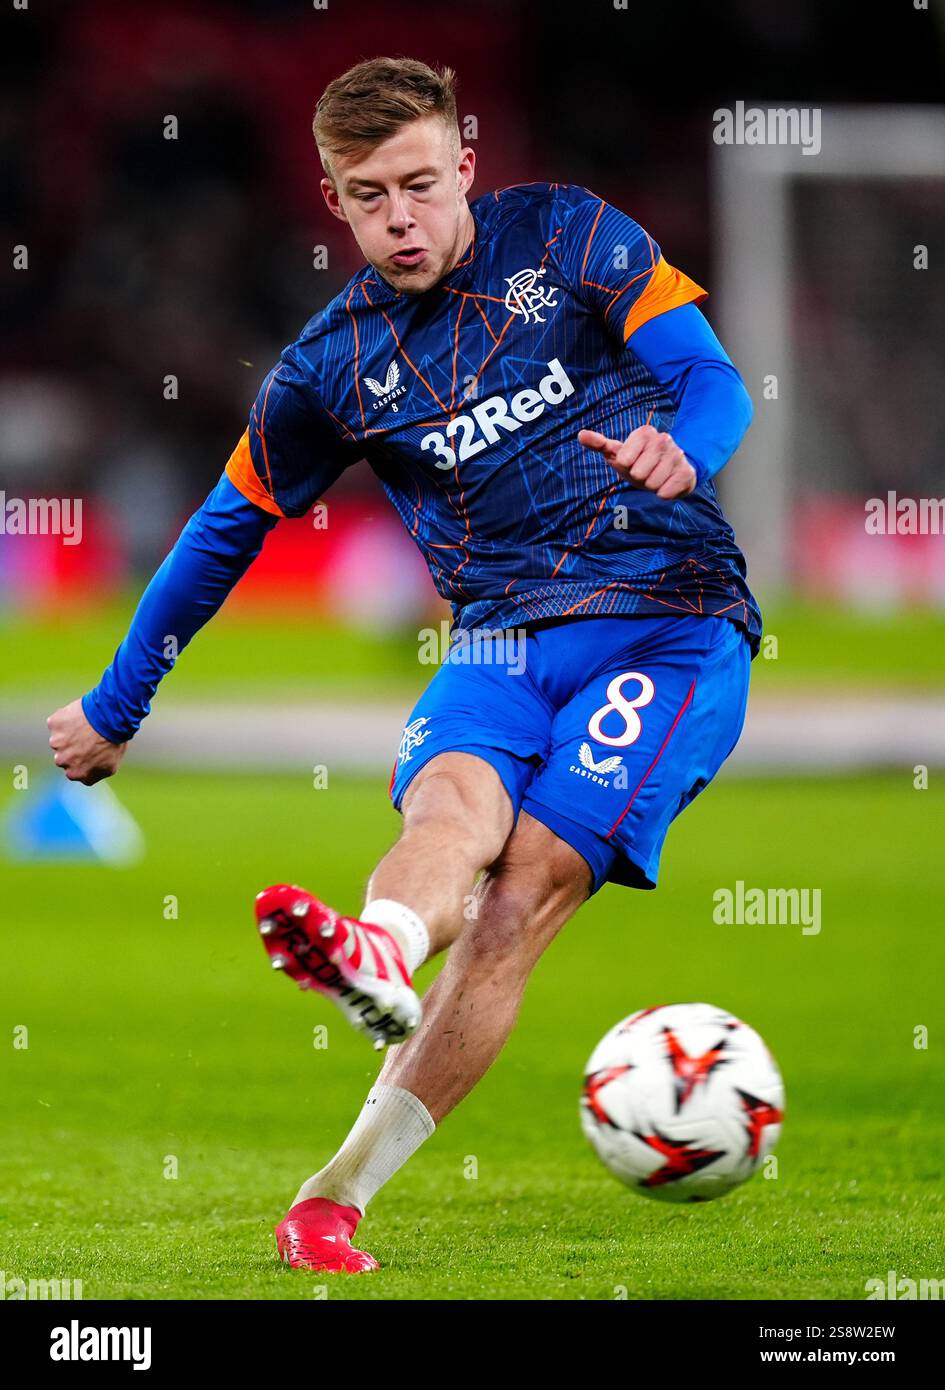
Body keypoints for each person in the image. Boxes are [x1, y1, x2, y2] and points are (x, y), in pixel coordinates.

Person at [47, 56, 760, 1273]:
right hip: (495, 635)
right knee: (450, 808)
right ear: (332, 199)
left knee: (524, 885)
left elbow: (711, 378)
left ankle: (345, 1182)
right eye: (369, 195)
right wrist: (118, 704)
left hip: (668, 616)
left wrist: (685, 451)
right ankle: (375, 955)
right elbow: (223, 533)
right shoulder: (332, 367)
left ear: (466, 165)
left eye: (422, 185)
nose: (401, 218)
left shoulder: (570, 234)